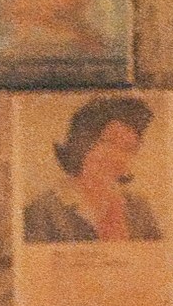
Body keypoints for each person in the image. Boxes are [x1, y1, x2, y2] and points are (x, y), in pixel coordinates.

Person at [20, 94, 160, 244]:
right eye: (109, 142)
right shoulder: (42, 211)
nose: (117, 156)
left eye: (128, 148)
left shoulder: (139, 209)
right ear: (82, 143)